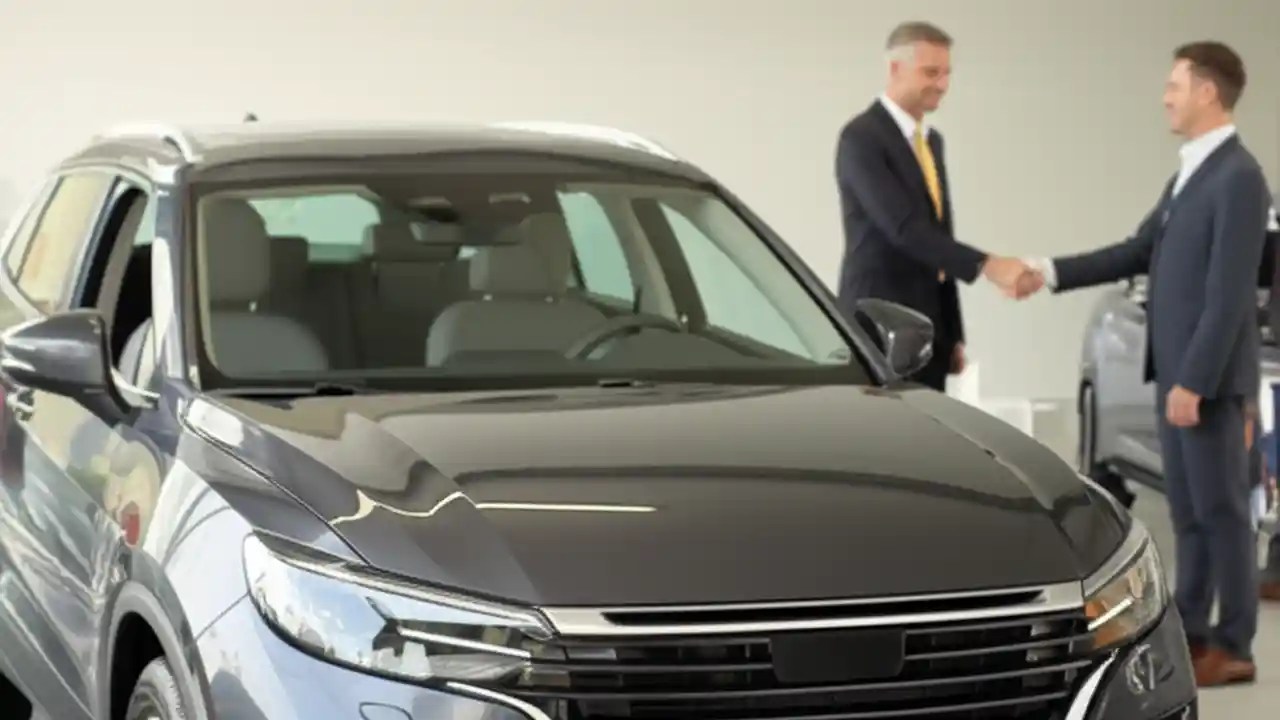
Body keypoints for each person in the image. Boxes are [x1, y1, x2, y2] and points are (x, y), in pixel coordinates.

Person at [1019, 41, 1270, 687]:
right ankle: (1194, 631)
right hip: (1178, 377)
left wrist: (1196, 380)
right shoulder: (1190, 175)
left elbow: (1229, 293)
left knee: (1223, 516)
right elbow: (1136, 251)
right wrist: (1048, 272)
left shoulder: (1239, 178)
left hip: (1204, 383)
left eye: (1175, 85)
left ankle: (1235, 646)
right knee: (1190, 515)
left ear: (1207, 92)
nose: (1166, 97)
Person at [833, 20, 1035, 392]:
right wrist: (988, 265)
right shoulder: (861, 138)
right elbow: (903, 228)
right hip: (878, 327)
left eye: (946, 73)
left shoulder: (931, 142)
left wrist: (952, 332)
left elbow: (940, 235)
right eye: (931, 72)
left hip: (928, 331)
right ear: (896, 68)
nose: (942, 84)